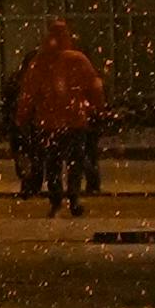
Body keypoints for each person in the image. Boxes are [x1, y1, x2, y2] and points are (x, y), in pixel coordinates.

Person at [12, 14, 106, 213]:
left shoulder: (39, 62)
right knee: (75, 163)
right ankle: (73, 197)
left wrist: (23, 117)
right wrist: (97, 109)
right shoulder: (78, 59)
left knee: (53, 164)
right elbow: (94, 86)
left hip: (47, 124)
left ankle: (55, 200)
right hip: (75, 122)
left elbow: (28, 93)